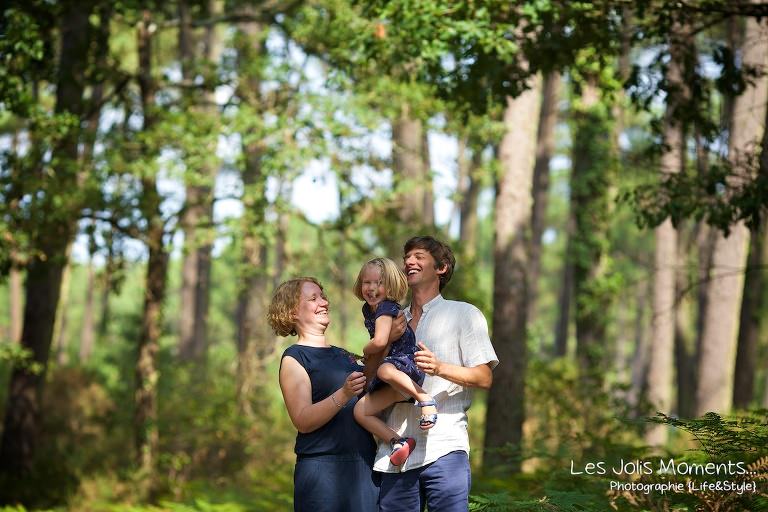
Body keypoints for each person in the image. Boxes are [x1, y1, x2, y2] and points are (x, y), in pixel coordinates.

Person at [374, 236, 499, 512]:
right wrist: (383, 344)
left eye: (418, 256)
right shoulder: (392, 320)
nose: (409, 261)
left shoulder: (464, 314)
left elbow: (484, 377)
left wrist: (440, 367)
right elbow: (374, 378)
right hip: (397, 455)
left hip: (445, 449)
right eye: (407, 257)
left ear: (441, 268)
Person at [270, 277, 402, 511]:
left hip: (364, 466)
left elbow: (370, 387)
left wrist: (387, 341)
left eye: (323, 296)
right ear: (292, 312)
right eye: (313, 298)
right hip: (322, 472)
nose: (324, 302)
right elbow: (302, 420)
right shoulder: (295, 357)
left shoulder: (343, 355)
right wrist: (343, 394)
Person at [351, 258, 438, 467]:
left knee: (384, 370)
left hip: (405, 365)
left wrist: (365, 350)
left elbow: (380, 341)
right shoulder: (368, 309)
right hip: (394, 380)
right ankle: (399, 441)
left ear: (390, 286)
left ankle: (425, 399)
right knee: (360, 411)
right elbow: (382, 345)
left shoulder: (385, 307)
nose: (371, 289)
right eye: (366, 282)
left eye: (378, 283)